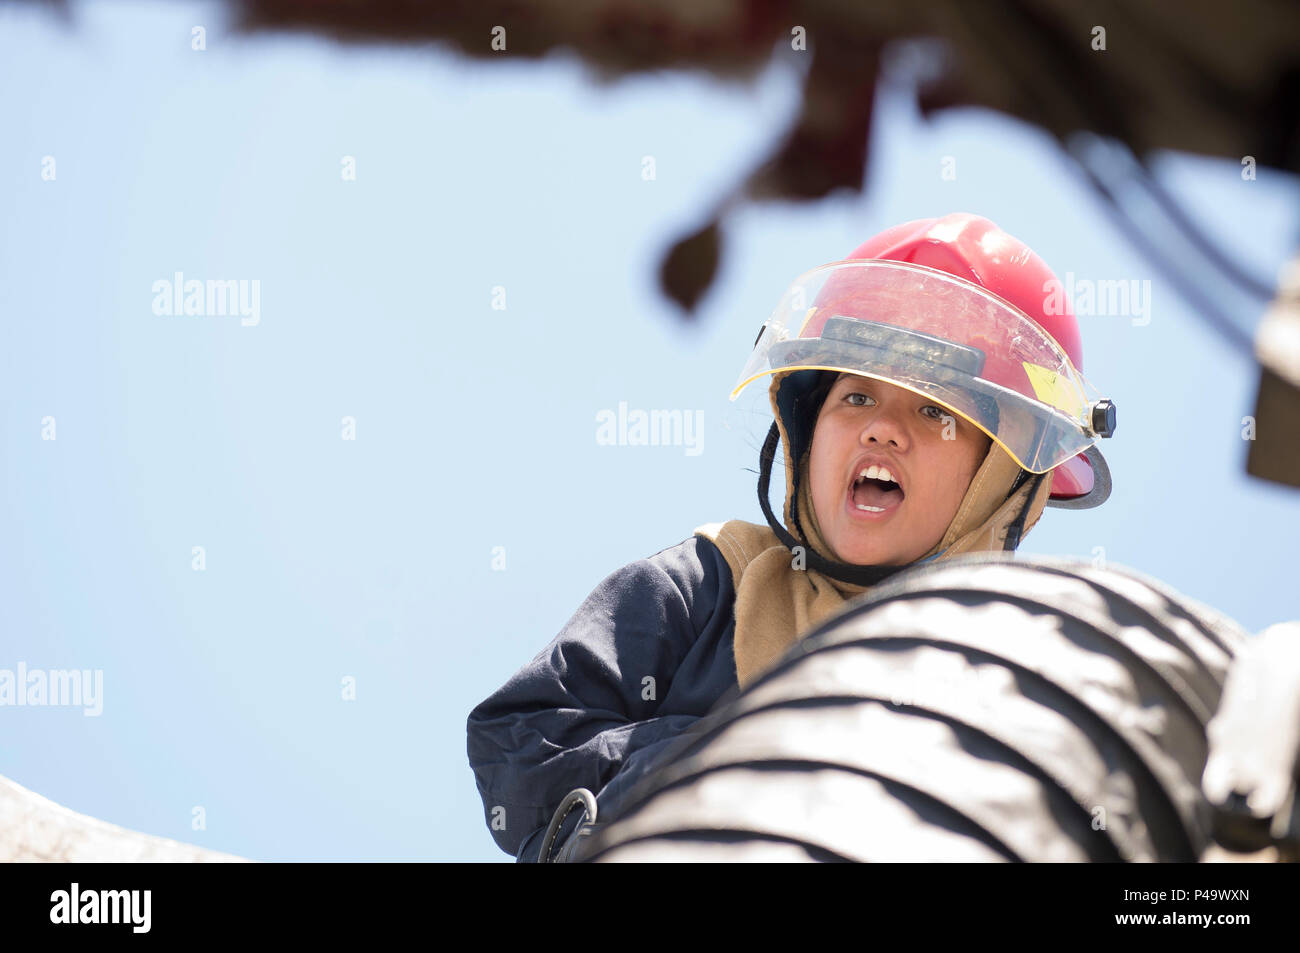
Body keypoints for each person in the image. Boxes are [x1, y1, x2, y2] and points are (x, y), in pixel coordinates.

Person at [466, 212, 1117, 861]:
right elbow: (522, 745)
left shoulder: (1029, 689)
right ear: (803, 429)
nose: (882, 429)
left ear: (1003, 478)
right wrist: (743, 766)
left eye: (935, 409)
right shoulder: (711, 581)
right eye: (856, 397)